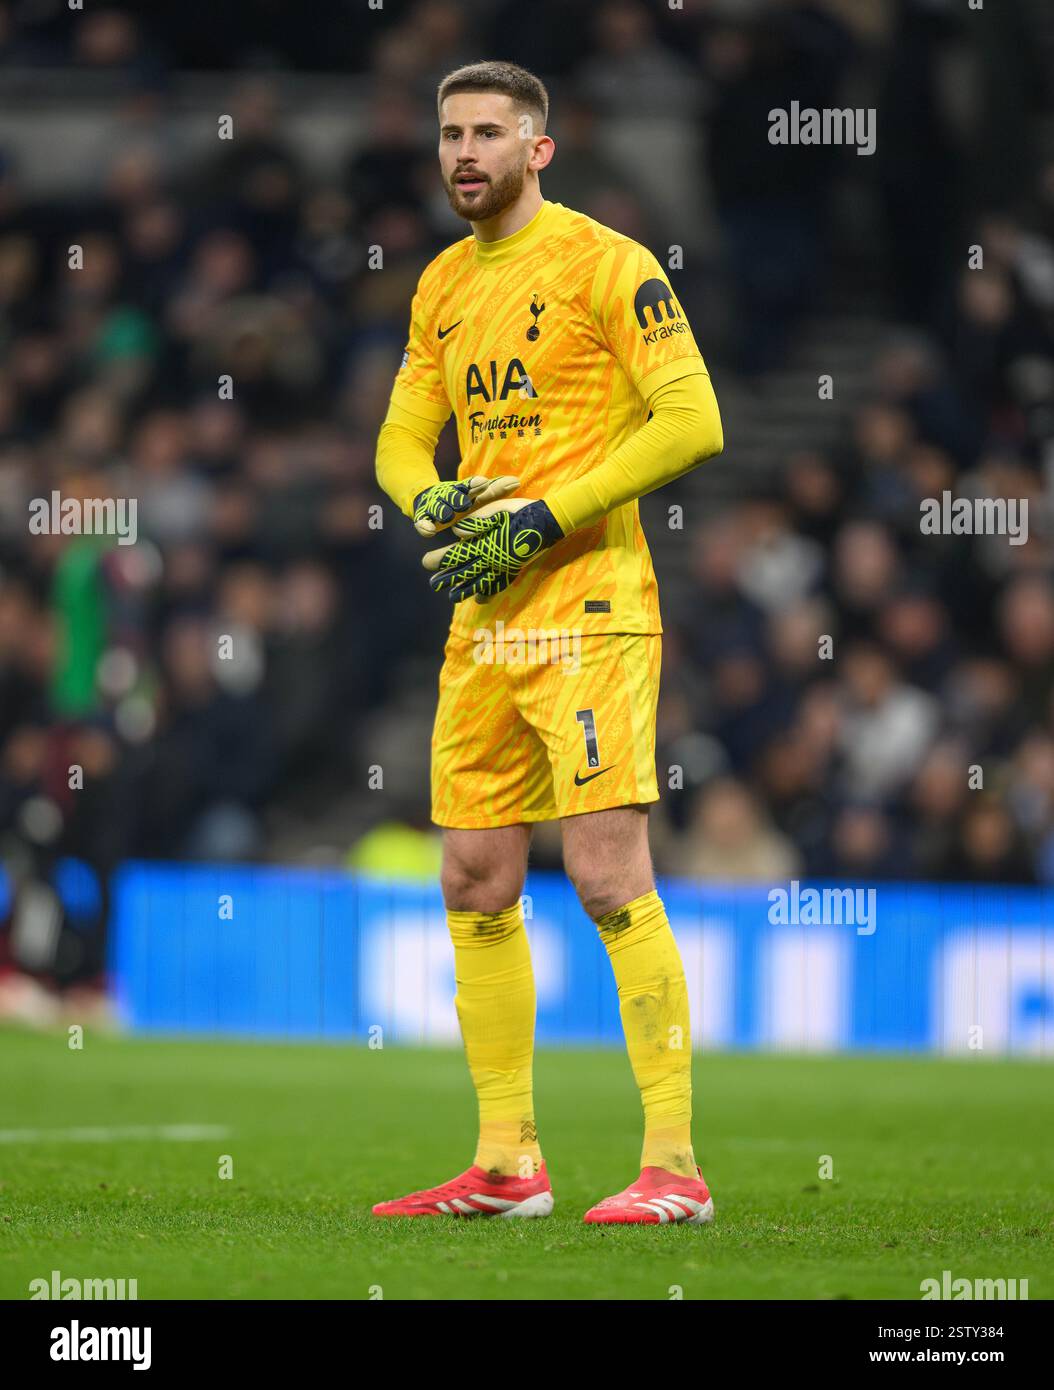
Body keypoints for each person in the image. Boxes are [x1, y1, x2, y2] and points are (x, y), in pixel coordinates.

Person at [373, 60, 723, 1224]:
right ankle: (507, 1161)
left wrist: (542, 512)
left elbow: (695, 420)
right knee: (473, 874)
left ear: (539, 148)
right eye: (449, 133)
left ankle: (673, 1164)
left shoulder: (607, 265)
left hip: (589, 605)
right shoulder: (438, 287)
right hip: (485, 615)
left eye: (487, 132)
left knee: (605, 868)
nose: (463, 151)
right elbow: (399, 444)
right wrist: (430, 503)